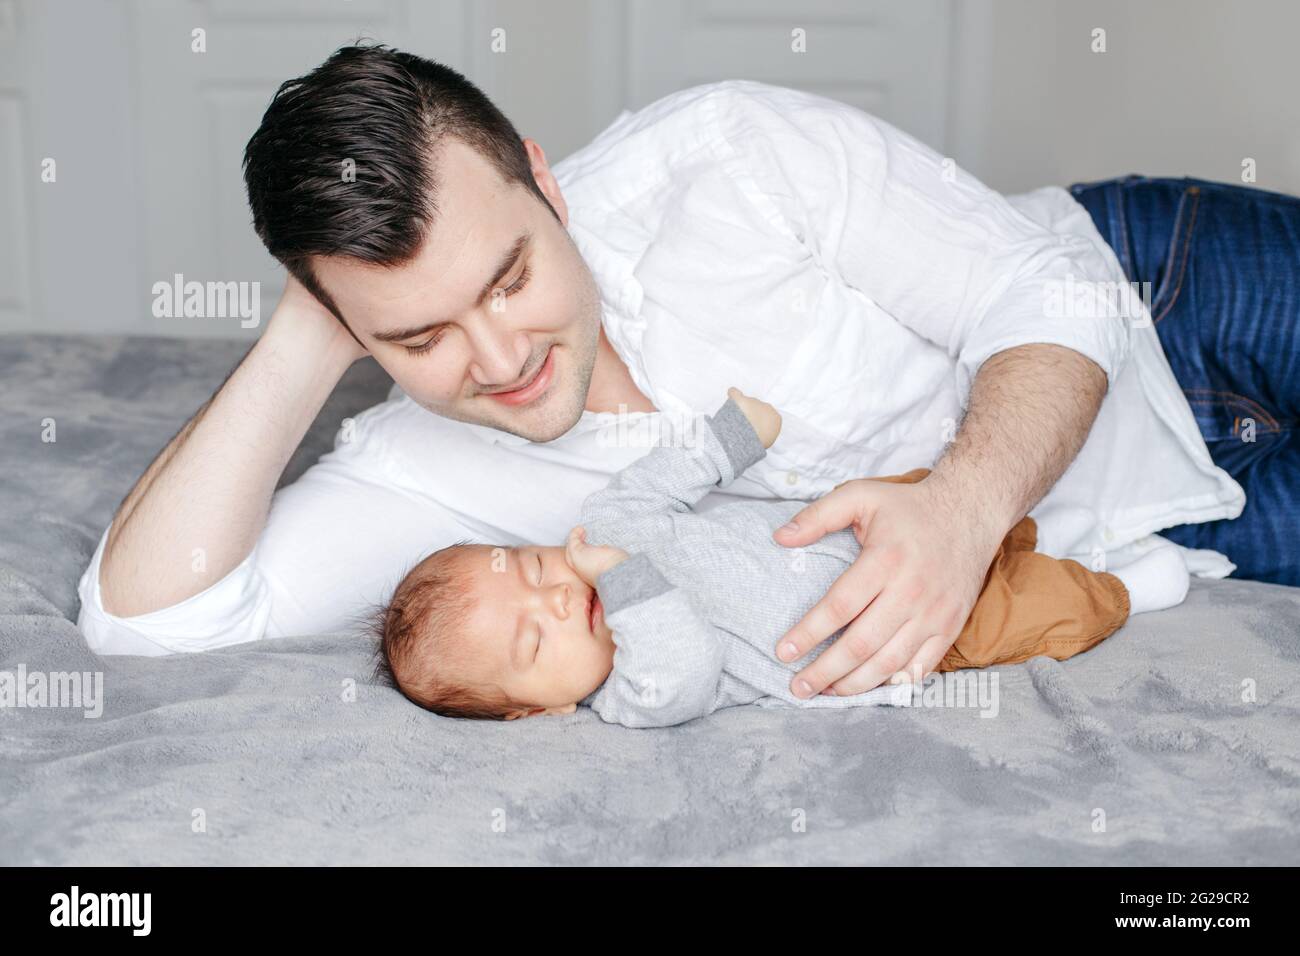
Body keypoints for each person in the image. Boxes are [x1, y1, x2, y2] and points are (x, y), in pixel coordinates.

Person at [79, 42, 1290, 701]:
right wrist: (308, 328)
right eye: (416, 333)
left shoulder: (723, 154)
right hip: (1166, 527)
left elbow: (1044, 295)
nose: (498, 360)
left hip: (1158, 289)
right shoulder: (419, 469)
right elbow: (151, 623)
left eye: (508, 277)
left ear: (546, 185)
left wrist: (965, 507)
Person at [377, 388, 1190, 727]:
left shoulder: (604, 521)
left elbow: (666, 478)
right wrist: (618, 579)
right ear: (536, 711)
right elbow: (685, 655)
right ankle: (1120, 587)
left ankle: (1065, 524)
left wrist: (734, 433)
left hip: (859, 527)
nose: (556, 600)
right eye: (533, 641)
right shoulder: (634, 695)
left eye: (528, 570)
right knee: (1037, 611)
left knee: (958, 500)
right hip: (900, 632)